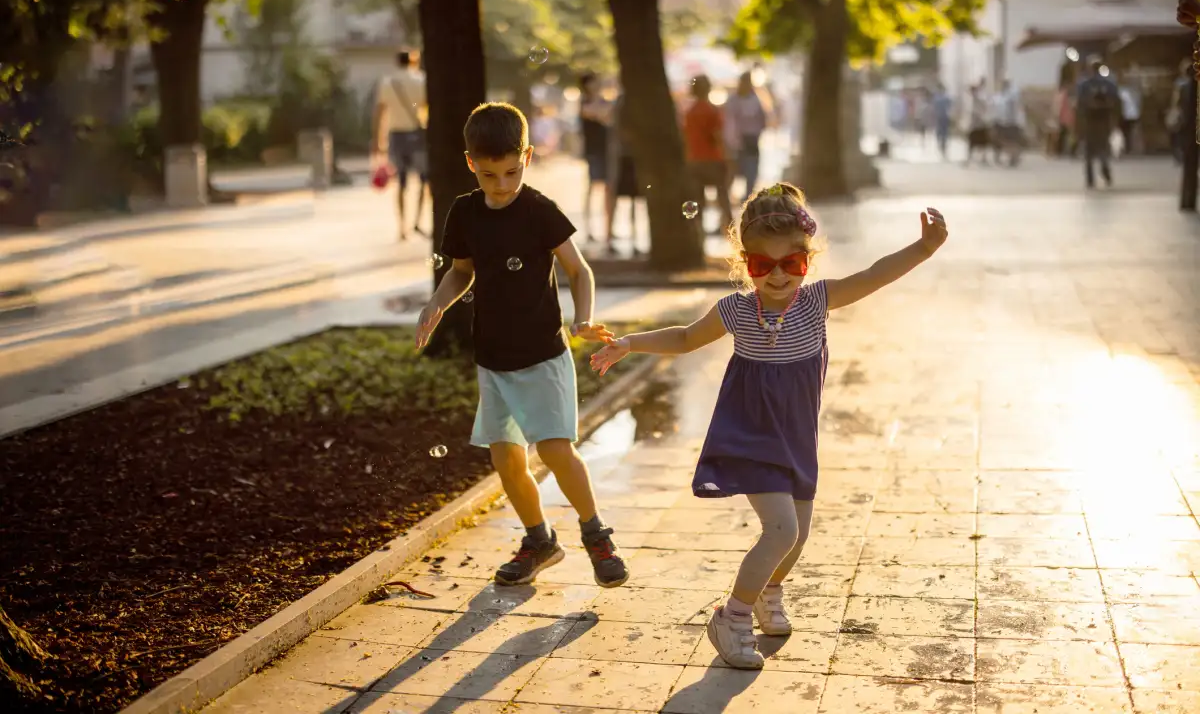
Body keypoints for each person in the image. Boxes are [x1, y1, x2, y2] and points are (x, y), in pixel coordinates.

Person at [590, 182, 948, 669]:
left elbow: (874, 274)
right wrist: (630, 343)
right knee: (779, 530)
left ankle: (767, 592)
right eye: (763, 266)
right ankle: (731, 617)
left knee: (798, 534)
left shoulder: (817, 301)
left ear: (807, 261)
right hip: (748, 434)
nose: (778, 276)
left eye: (791, 264)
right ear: (745, 263)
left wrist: (923, 248)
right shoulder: (737, 309)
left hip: (796, 436)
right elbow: (685, 337)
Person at [392, 102, 629, 589]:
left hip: (542, 353)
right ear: (470, 163)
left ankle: (595, 534)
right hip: (493, 359)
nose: (501, 185)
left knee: (555, 449)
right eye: (488, 174)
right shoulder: (464, 212)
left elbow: (578, 269)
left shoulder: (539, 209)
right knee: (506, 458)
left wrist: (583, 319)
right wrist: (436, 304)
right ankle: (539, 540)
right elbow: (461, 271)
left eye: (511, 172)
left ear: (527, 156)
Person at [373, 50, 428, 240]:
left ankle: (402, 227)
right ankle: (418, 221)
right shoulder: (421, 80)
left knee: (401, 182)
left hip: (396, 136)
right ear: (414, 61)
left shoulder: (388, 83)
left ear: (397, 62)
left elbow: (381, 113)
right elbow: (426, 108)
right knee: (424, 180)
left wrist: (378, 141)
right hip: (418, 135)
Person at [684, 75, 735, 233]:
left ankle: (698, 231)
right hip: (713, 159)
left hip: (694, 160)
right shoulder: (712, 111)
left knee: (697, 200)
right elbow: (717, 136)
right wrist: (728, 158)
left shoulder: (689, 112)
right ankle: (729, 230)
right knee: (722, 196)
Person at [578, 73, 614, 247]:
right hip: (593, 151)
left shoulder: (602, 101)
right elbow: (603, 116)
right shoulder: (584, 102)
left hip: (606, 150)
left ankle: (608, 231)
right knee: (592, 189)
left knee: (608, 190)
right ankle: (589, 229)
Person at [725, 71, 771, 203]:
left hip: (752, 138)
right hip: (737, 139)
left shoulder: (755, 98)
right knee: (734, 169)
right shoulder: (734, 100)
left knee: (751, 169)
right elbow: (730, 121)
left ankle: (748, 196)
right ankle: (728, 196)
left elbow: (762, 118)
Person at [1074, 57, 1120, 188]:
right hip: (1104, 119)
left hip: (1089, 120)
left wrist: (1078, 122)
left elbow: (1079, 103)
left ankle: (1090, 180)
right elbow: (1115, 101)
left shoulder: (1083, 83)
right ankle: (1105, 172)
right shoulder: (1109, 83)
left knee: (1089, 151)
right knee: (1103, 148)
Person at [607, 91, 643, 256]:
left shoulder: (625, 101)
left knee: (632, 200)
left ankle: (631, 240)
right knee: (625, 199)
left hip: (627, 156)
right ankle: (613, 239)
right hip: (625, 157)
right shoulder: (627, 102)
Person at [963, 81, 991, 167]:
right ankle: (971, 159)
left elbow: (984, 109)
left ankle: (982, 159)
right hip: (975, 124)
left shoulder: (979, 98)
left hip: (979, 124)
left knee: (981, 142)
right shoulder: (972, 99)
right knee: (973, 142)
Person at [1117, 80, 1141, 157]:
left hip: (1131, 115)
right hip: (1126, 115)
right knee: (1125, 133)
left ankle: (1129, 148)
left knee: (1130, 132)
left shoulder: (1132, 92)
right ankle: (1125, 148)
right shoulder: (1123, 91)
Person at [931, 84, 952, 161]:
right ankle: (943, 145)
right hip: (944, 117)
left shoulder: (937, 97)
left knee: (941, 132)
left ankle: (941, 145)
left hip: (940, 117)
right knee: (943, 132)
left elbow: (934, 108)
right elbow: (950, 106)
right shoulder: (946, 97)